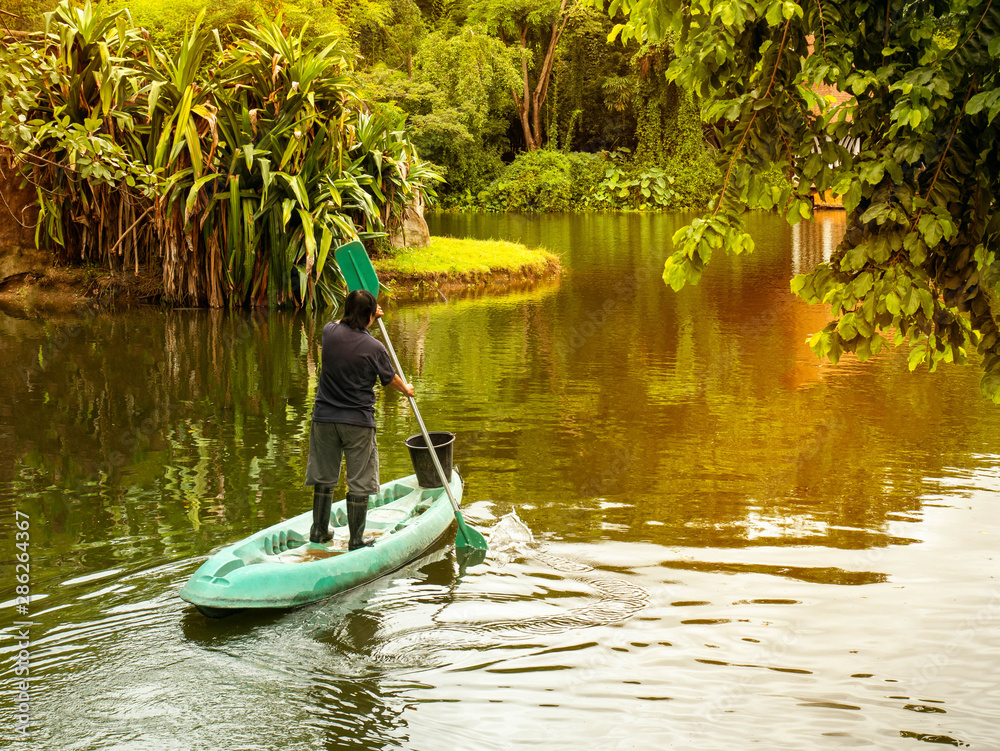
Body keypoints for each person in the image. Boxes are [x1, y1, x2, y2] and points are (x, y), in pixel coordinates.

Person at [305, 289, 414, 549]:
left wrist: (367, 314)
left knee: (324, 476)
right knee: (360, 479)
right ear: (369, 315)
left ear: (346, 310)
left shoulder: (329, 332)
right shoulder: (375, 347)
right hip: (357, 423)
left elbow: (341, 322)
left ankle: (319, 530)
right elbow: (389, 379)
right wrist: (407, 390)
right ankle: (356, 539)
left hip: (324, 419)